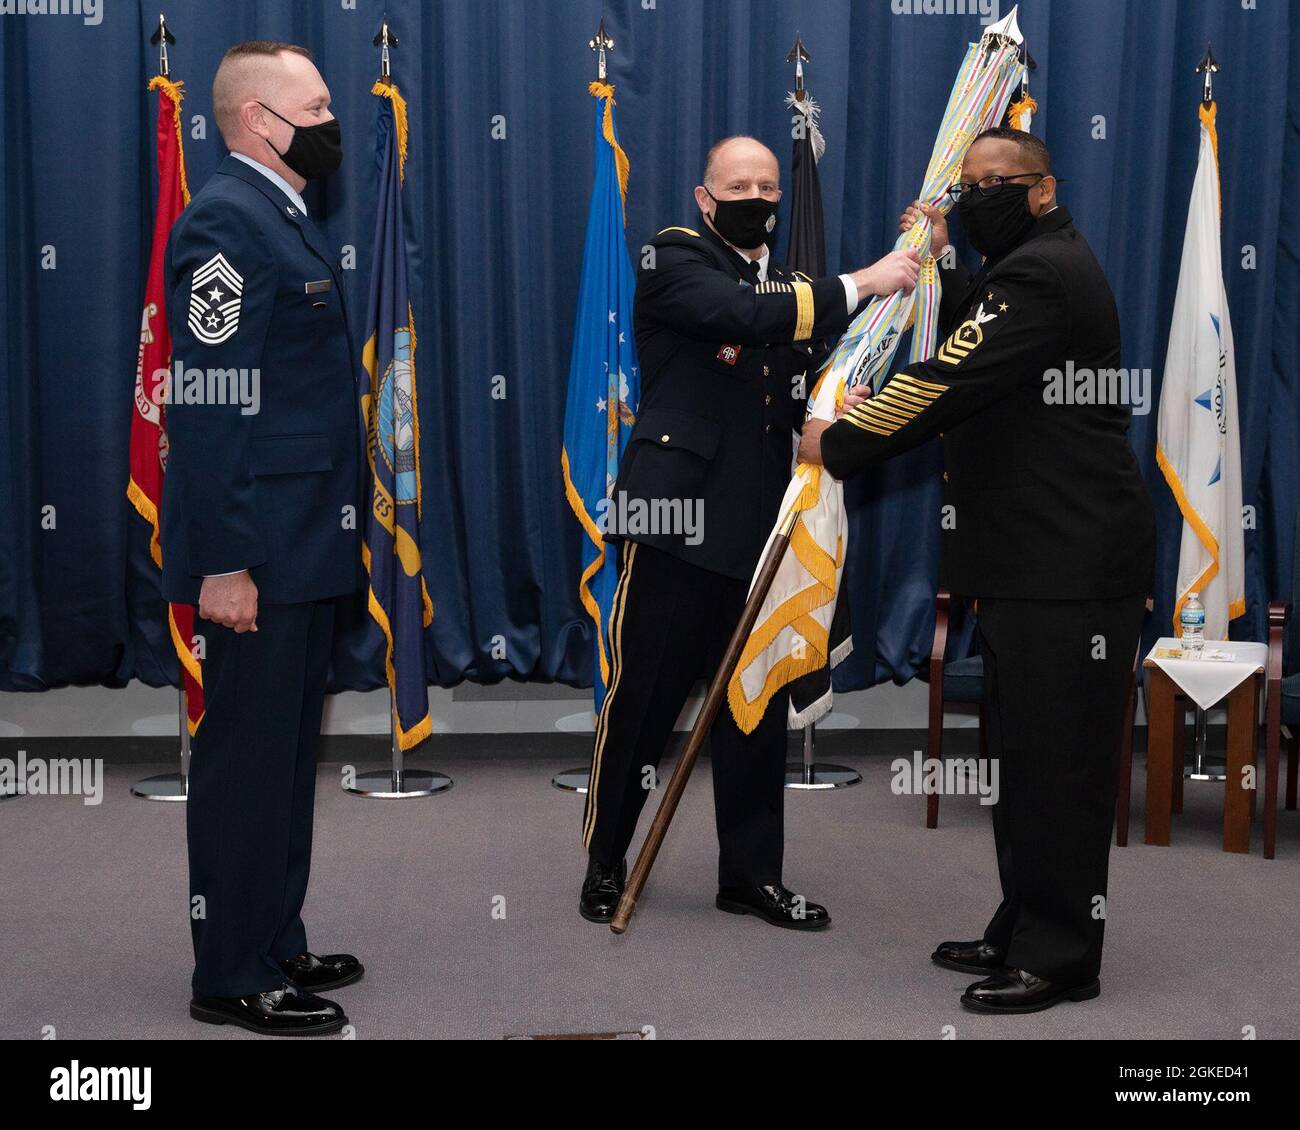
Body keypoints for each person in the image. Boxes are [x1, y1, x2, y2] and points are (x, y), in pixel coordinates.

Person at [799, 127, 1155, 1013]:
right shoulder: (1031, 269)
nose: (983, 194)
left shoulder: (1043, 274)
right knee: (1022, 757)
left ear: (1044, 189)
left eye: (1001, 182)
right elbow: (989, 339)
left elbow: (951, 379)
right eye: (971, 184)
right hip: (1033, 563)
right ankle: (1024, 920)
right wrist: (951, 266)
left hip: (1068, 568)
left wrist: (837, 441)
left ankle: (1063, 955)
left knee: (1059, 767)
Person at [579, 135, 921, 928]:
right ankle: (605, 861)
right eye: (739, 184)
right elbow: (741, 316)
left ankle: (752, 874)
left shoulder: (796, 285)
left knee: (753, 708)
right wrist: (865, 280)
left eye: (769, 184)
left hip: (764, 528)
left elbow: (810, 375)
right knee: (643, 706)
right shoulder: (673, 257)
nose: (758, 196)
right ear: (706, 198)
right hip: (672, 522)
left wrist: (840, 405)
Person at [161, 41, 365, 1036]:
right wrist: (225, 561)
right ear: (257, 122)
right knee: (246, 762)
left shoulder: (280, 212)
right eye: (317, 104)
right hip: (259, 551)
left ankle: (276, 935)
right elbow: (207, 409)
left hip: (304, 539)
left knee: (286, 757)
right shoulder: (224, 223)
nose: (333, 121)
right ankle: (230, 970)